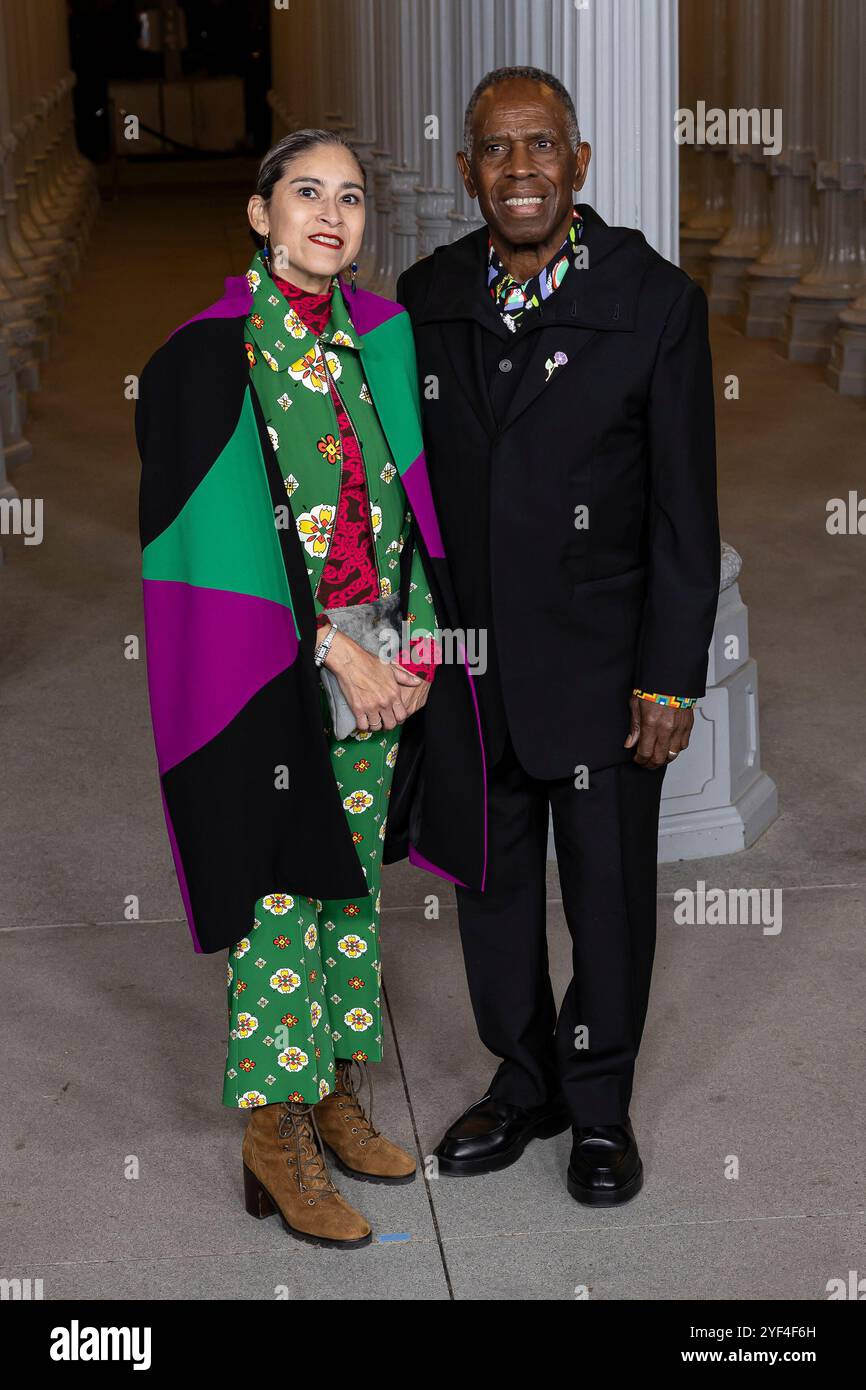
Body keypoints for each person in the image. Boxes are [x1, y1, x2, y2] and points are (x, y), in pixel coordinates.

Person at [135, 130, 487, 1249]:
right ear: (259, 215)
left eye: (347, 198)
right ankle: (272, 1131)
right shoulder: (207, 356)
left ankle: (335, 1091)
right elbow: (216, 554)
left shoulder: (379, 339)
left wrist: (419, 651)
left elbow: (421, 512)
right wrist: (340, 655)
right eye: (304, 194)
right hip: (274, 675)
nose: (329, 215)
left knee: (348, 890)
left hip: (386, 662)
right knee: (278, 889)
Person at [396, 67, 721, 1206]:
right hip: (469, 668)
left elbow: (686, 514)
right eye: (496, 148)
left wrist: (669, 676)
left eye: (541, 146)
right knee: (487, 887)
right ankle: (523, 1075)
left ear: (577, 162)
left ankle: (597, 1103)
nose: (520, 168)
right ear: (466, 170)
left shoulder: (653, 303)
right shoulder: (426, 296)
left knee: (604, 893)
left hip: (597, 665)